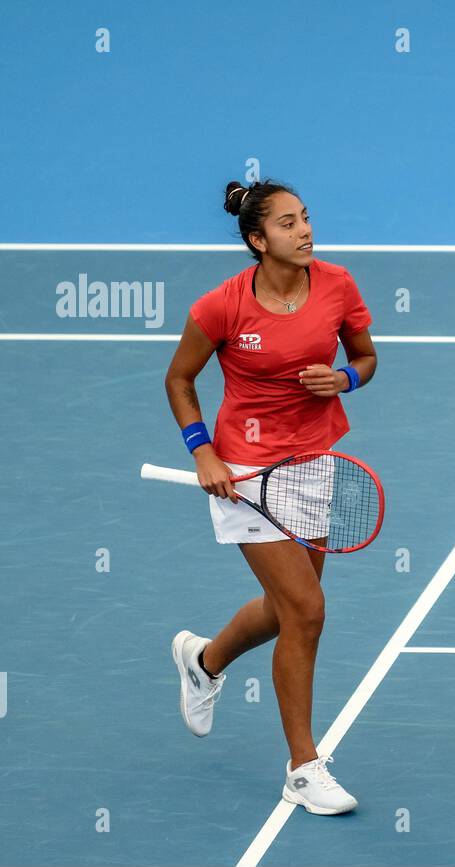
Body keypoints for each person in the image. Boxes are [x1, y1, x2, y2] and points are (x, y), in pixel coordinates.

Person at [162, 179, 377, 815]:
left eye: (306, 218)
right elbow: (179, 378)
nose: (305, 231)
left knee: (287, 609)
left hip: (314, 464)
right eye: (287, 224)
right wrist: (202, 450)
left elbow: (366, 358)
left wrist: (342, 378)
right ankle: (303, 767)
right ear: (258, 241)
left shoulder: (337, 286)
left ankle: (203, 660)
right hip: (246, 473)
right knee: (307, 611)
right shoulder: (221, 307)